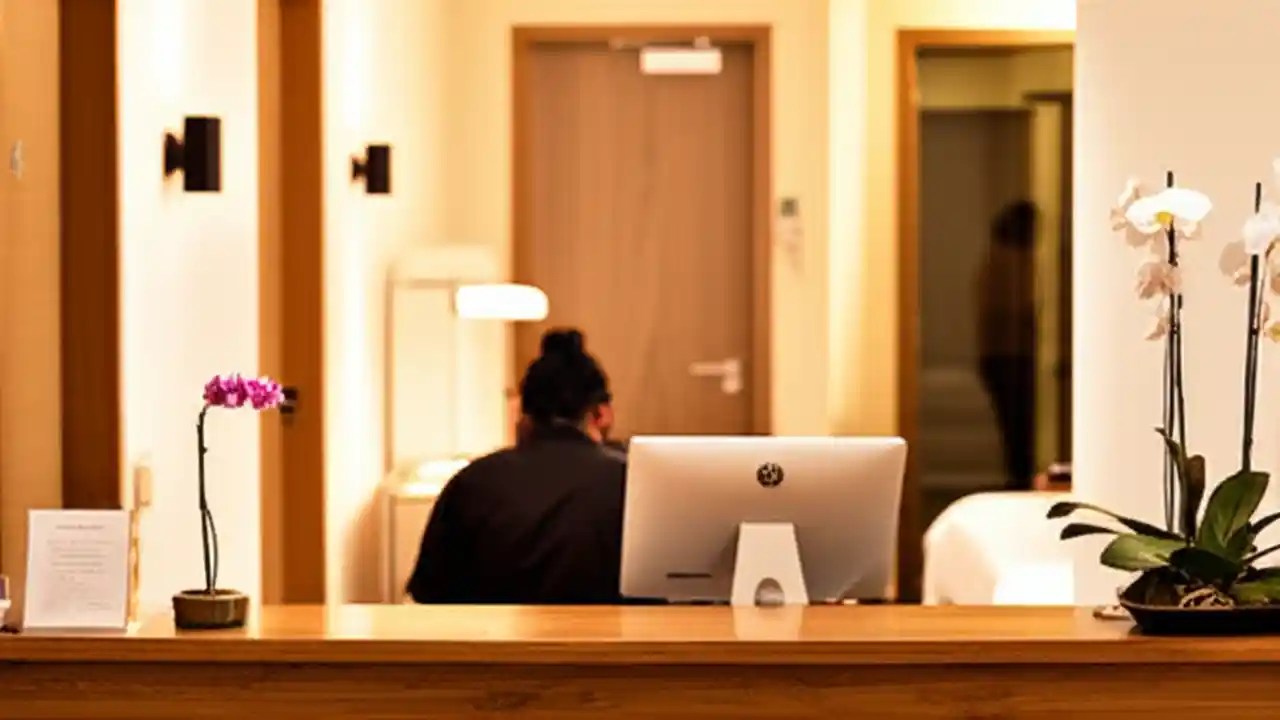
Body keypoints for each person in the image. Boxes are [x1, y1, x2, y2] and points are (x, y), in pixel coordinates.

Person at [406, 328, 626, 604]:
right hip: (612, 643)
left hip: (492, 644)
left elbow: (428, 591)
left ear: (523, 413)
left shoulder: (473, 481)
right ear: (601, 413)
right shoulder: (631, 482)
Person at [975, 200, 1038, 490]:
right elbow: (1018, 310)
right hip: (1013, 356)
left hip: (997, 355)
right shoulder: (1012, 264)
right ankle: (1020, 480)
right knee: (1019, 431)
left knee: (1014, 431)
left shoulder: (993, 261)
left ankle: (1018, 477)